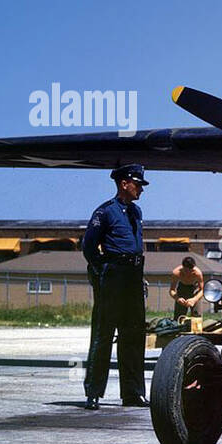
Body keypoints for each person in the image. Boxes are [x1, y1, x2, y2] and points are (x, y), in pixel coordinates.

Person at [80, 164, 149, 410]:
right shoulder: (105, 212)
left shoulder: (136, 212)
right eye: (137, 184)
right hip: (113, 275)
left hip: (133, 274)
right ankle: (94, 392)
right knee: (103, 333)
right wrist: (103, 272)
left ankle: (133, 393)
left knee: (134, 334)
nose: (140, 189)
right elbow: (88, 247)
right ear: (124, 184)